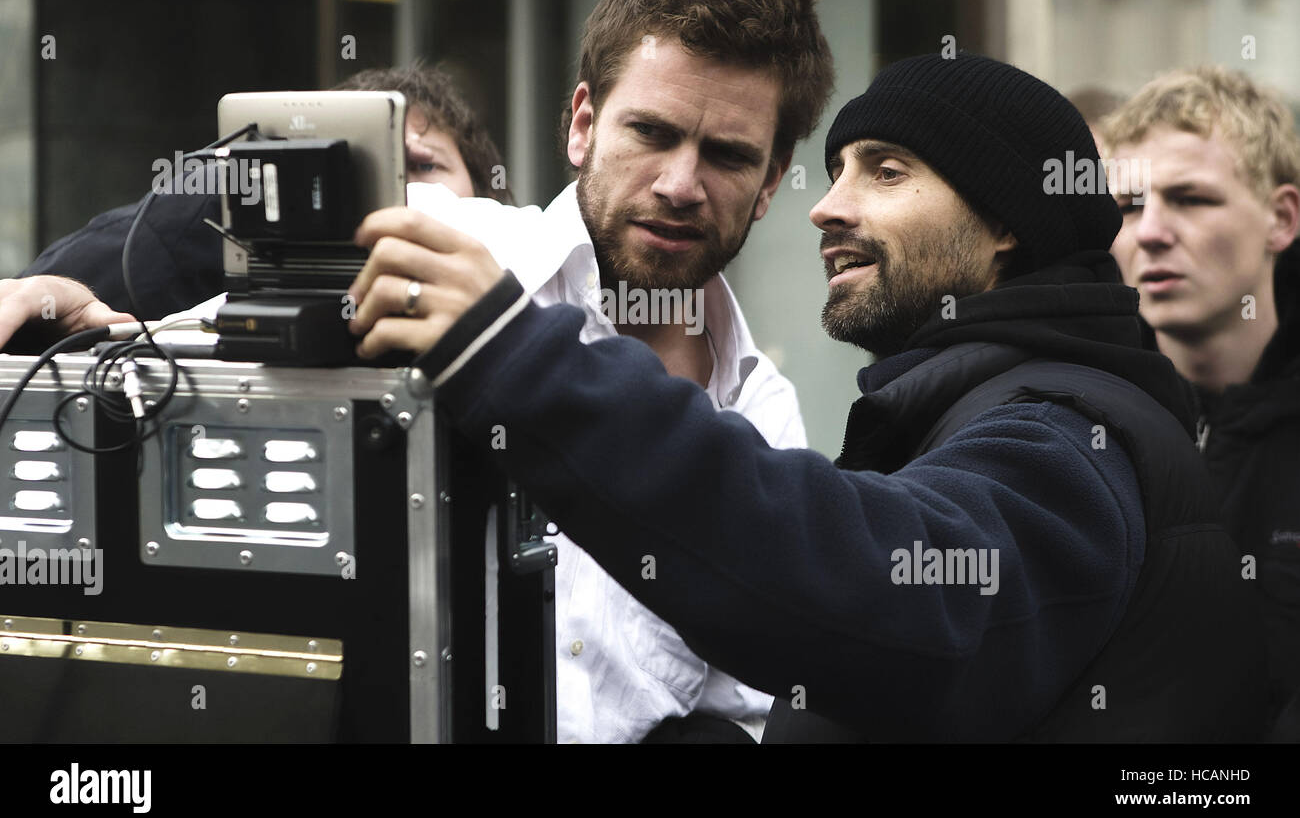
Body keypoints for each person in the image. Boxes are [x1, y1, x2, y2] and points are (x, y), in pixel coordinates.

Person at [2, 0, 835, 744]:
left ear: (770, 182)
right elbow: (195, 264)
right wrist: (53, 291)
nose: (681, 184)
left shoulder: (764, 419)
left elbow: (750, 703)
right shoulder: (452, 245)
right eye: (652, 133)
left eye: (726, 155)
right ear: (582, 124)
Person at [344, 52, 1266, 741]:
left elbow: (880, 594)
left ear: (1004, 230)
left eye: (886, 171)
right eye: (835, 171)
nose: (830, 207)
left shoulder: (1070, 435)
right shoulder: (977, 411)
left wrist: (520, 363)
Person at [0, 62, 510, 337]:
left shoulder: (526, 285)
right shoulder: (197, 246)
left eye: (421, 167)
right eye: (366, 170)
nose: (397, 196)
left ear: (486, 195)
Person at [1099, 66, 1300, 737]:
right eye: (1129, 206)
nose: (1151, 232)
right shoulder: (1082, 424)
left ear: (1282, 218)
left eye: (1189, 198)